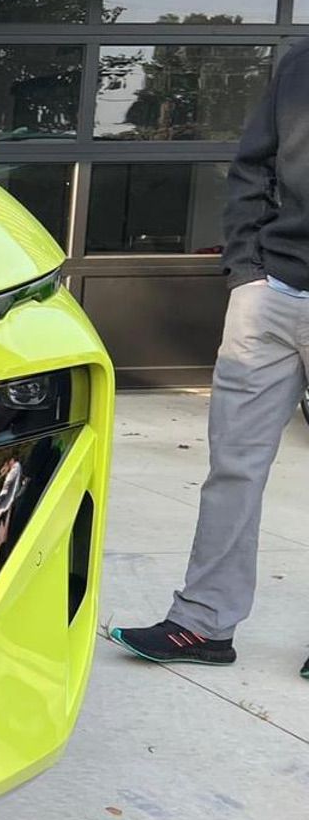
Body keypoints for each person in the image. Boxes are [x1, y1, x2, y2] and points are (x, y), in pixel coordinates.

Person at [111, 40, 309, 677]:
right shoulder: (299, 62)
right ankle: (203, 624)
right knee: (233, 468)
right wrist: (247, 271)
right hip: (271, 297)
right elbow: (253, 167)